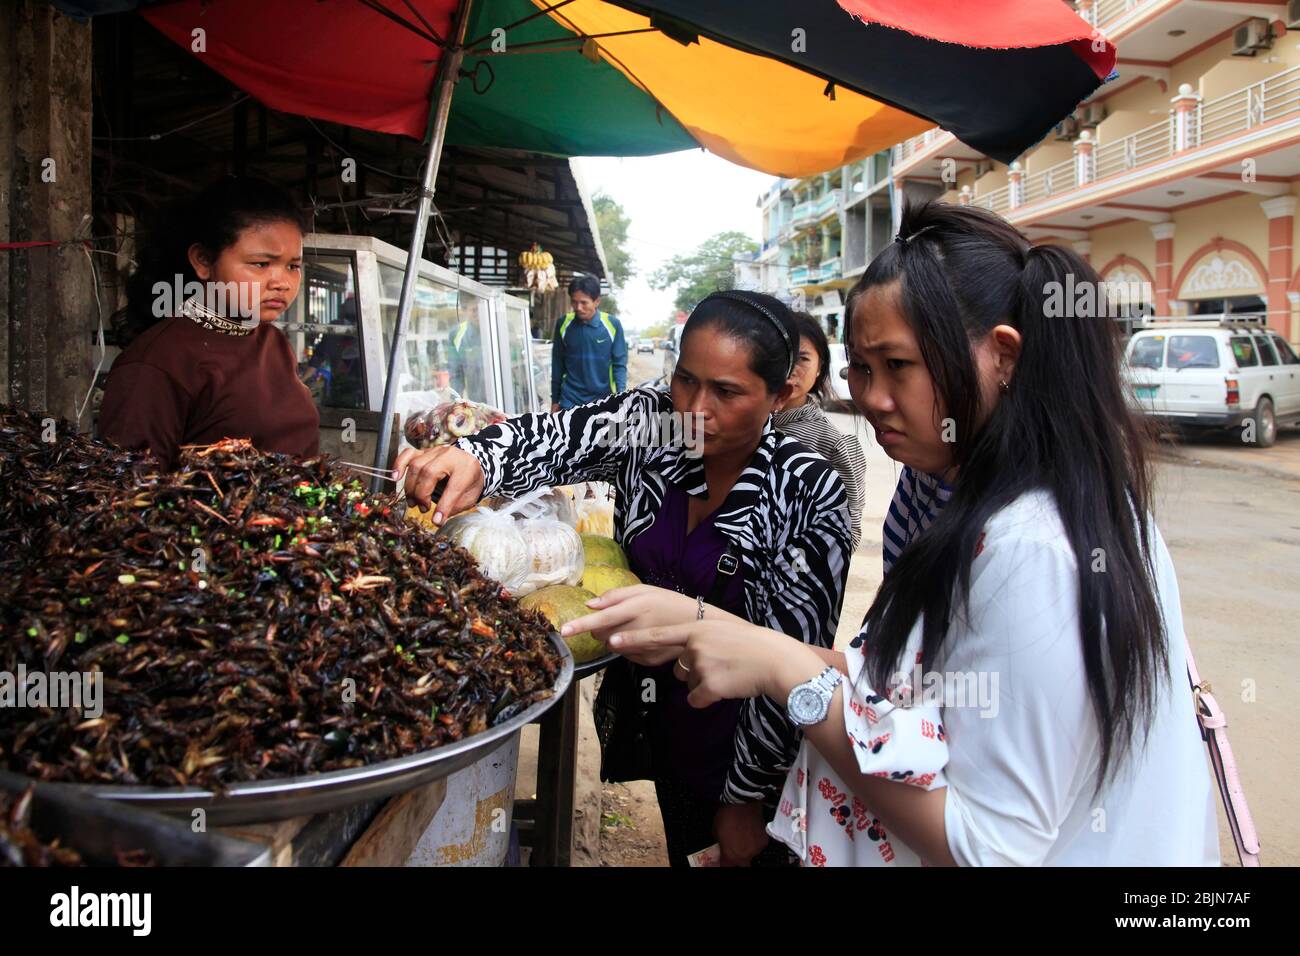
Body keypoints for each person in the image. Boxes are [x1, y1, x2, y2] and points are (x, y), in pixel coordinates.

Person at [574, 201, 1219, 866]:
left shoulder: (1031, 546)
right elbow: (927, 691)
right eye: (861, 368)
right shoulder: (1023, 502)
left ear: (1002, 356)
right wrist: (719, 629)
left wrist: (790, 669)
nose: (874, 397)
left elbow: (987, 849)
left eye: (898, 366)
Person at [396, 290, 853, 867]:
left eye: (727, 392)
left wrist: (746, 801)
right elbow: (558, 437)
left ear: (782, 395)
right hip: (660, 719)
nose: (695, 407)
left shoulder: (808, 491)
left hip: (748, 751)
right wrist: (476, 459)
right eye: (685, 380)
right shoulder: (654, 425)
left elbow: (796, 660)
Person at [100, 177, 317, 468]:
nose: (282, 282)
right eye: (261, 264)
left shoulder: (273, 342)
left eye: (293, 266)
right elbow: (127, 491)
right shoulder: (156, 362)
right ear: (203, 260)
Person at [773, 311, 867, 548]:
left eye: (803, 359)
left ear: (820, 367)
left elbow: (848, 532)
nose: (790, 368)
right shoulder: (743, 425)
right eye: (781, 355)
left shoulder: (833, 443)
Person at [550, 274, 627, 411]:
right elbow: (557, 365)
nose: (578, 307)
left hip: (603, 401)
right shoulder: (563, 324)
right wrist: (555, 400)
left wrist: (621, 397)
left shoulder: (612, 325)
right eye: (574, 302)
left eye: (584, 302)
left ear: (597, 301)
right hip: (570, 401)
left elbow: (619, 364)